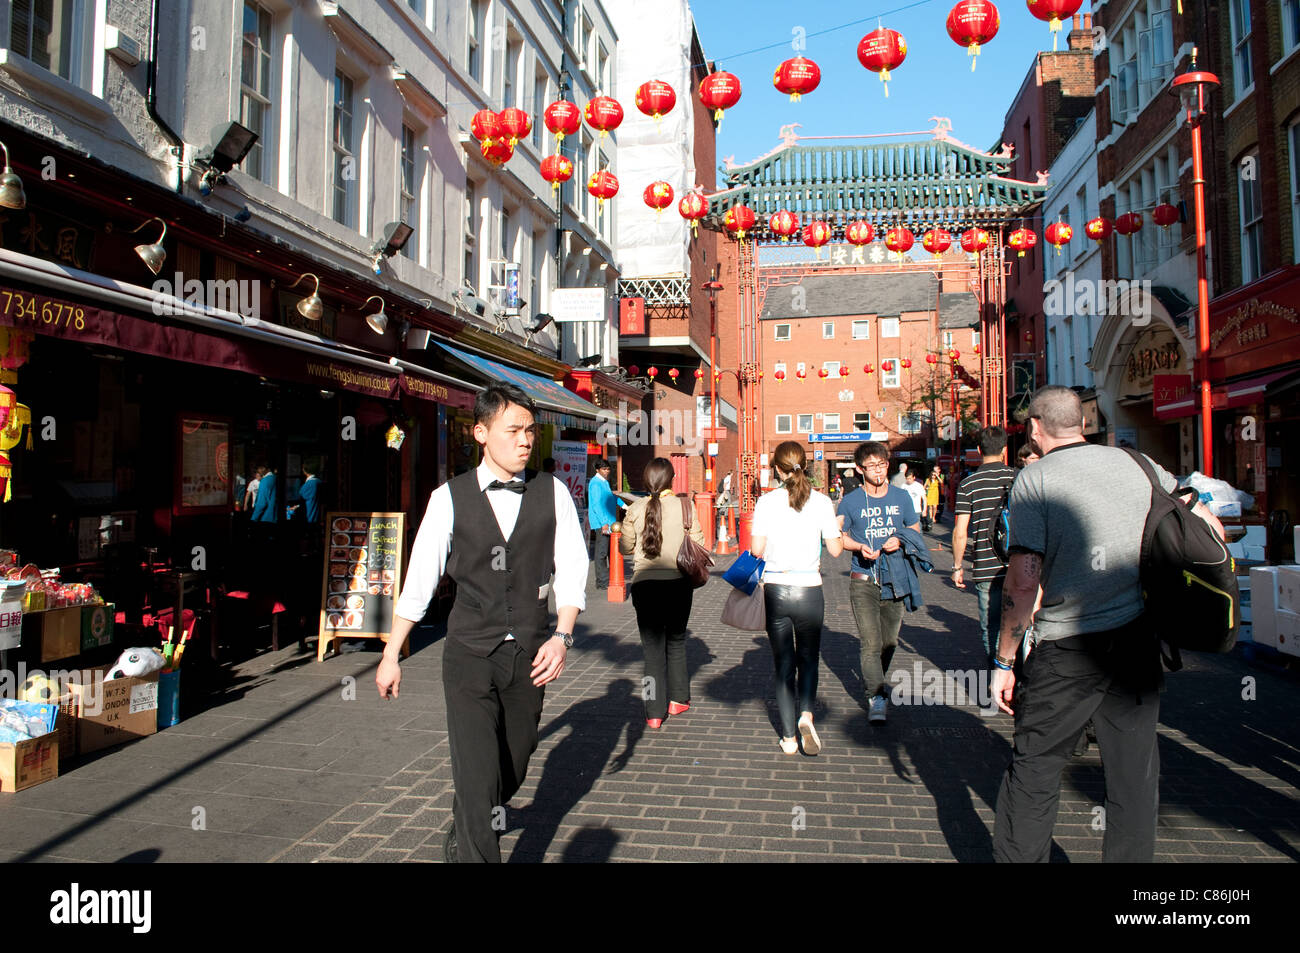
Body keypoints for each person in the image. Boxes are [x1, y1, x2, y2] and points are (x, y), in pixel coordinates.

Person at [991, 386, 1224, 863]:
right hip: (1137, 641)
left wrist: (1004, 660)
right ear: (1083, 422)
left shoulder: (1034, 481)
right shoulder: (1140, 465)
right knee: (1134, 775)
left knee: (1034, 770)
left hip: (1066, 648)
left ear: (1035, 428)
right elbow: (1210, 527)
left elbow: (1021, 583)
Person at [376, 382, 588, 863]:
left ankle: (472, 817)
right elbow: (420, 581)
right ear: (481, 433)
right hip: (469, 654)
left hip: (530, 654)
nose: (526, 440)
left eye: (531, 430)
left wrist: (562, 636)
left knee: (510, 766)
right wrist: (392, 655)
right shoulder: (447, 498)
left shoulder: (551, 491)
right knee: (475, 776)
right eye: (513, 429)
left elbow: (573, 569)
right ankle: (474, 837)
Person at [750, 441, 844, 754]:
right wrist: (837, 530)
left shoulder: (766, 502)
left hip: (777, 588)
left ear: (776, 468)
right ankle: (806, 714)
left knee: (783, 665)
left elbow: (756, 551)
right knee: (809, 659)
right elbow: (835, 549)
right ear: (805, 465)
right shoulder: (820, 501)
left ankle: (788, 738)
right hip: (811, 590)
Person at [838, 441, 922, 725]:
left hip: (895, 578)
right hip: (863, 580)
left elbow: (914, 527)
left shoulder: (901, 497)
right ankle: (876, 695)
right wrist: (857, 546)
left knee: (889, 641)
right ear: (861, 469)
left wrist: (899, 539)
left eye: (882, 463)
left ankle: (876, 679)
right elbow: (837, 535)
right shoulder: (850, 501)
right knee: (871, 641)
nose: (878, 470)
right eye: (872, 465)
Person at [619, 458, 705, 729]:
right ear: (672, 478)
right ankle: (678, 699)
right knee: (677, 642)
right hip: (679, 583)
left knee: (651, 651)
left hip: (645, 586)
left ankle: (653, 712)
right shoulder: (685, 505)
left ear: (646, 480)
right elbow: (700, 544)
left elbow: (625, 547)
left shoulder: (635, 507)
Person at [951, 426, 1017, 669]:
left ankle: (997, 673)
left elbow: (960, 532)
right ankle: (1016, 674)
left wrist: (957, 566)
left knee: (990, 625)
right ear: (1005, 450)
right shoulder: (1018, 477)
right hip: (1018, 564)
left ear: (979, 450)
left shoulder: (969, 485)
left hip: (986, 566)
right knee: (1018, 622)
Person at [587, 459, 619, 590]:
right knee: (601, 553)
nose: (606, 471)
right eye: (604, 469)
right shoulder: (595, 483)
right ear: (597, 470)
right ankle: (602, 581)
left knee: (611, 551)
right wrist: (604, 523)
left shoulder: (604, 482)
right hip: (602, 523)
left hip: (610, 521)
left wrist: (624, 506)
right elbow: (597, 505)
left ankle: (611, 578)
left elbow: (612, 497)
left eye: (608, 469)